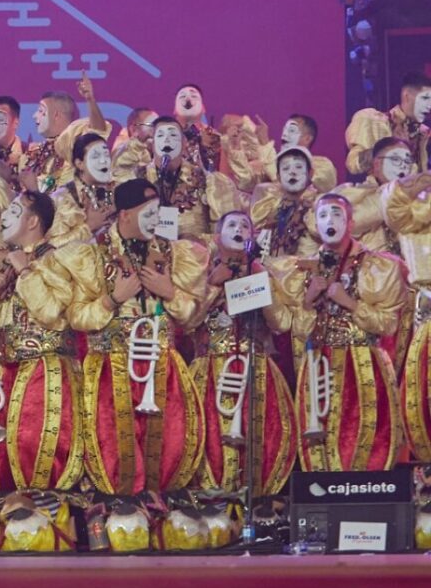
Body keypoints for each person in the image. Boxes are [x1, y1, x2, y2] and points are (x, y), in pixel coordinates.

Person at [58, 178, 208, 495]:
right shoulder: (92, 254)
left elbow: (193, 317)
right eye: (148, 213)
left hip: (162, 367)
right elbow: (77, 317)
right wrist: (113, 299)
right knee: (114, 449)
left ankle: (160, 509)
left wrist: (170, 293)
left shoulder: (173, 252)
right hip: (110, 370)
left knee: (167, 447)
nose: (156, 220)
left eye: (158, 212)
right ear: (125, 215)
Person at [268, 193, 405, 472]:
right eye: (323, 215)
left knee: (366, 437)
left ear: (351, 222)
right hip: (318, 365)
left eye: (337, 214)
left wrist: (350, 303)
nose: (330, 221)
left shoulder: (379, 266)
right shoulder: (302, 269)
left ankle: (366, 490)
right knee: (321, 441)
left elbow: (388, 324)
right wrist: (309, 300)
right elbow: (297, 330)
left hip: (363, 364)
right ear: (316, 225)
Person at [0, 191, 83, 494]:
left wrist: (25, 271)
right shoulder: (4, 265)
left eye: (14, 211)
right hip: (7, 369)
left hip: (44, 369)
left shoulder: (57, 260)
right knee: (2, 452)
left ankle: (45, 516)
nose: (5, 217)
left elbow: (50, 312)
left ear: (33, 221)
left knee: (36, 449)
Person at [193, 211, 295, 495]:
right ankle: (214, 495)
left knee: (261, 433)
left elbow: (281, 323)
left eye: (245, 225)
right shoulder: (201, 270)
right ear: (218, 235)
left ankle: (256, 496)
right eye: (232, 225)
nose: (238, 229)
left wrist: (259, 285)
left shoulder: (260, 270)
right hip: (211, 365)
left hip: (254, 366)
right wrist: (213, 285)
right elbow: (187, 319)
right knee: (211, 434)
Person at [115, 116, 241, 242]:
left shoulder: (209, 182)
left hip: (193, 253)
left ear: (184, 142)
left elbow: (228, 239)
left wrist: (196, 242)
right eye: (160, 135)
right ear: (152, 144)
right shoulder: (137, 178)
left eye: (173, 135)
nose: (167, 140)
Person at [382, 168, 431, 461]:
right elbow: (392, 206)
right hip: (423, 302)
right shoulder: (413, 206)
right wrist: (425, 179)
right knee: (420, 383)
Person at [17, 77, 107, 194]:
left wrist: (90, 99)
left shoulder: (76, 145)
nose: (34, 115)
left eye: (40, 111)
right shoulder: (33, 153)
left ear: (56, 115)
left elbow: (98, 131)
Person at [346, 71, 431, 175]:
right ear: (407, 96)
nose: (429, 106)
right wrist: (390, 147)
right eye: (425, 98)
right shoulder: (376, 122)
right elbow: (353, 165)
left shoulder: (423, 133)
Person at [251, 146, 320, 258]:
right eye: (286, 168)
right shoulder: (271, 207)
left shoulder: (317, 208)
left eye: (298, 167)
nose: (292, 172)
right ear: (278, 176)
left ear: (310, 173)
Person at [49, 132, 116, 246]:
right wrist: (89, 226)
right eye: (95, 156)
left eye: (106, 155)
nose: (104, 160)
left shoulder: (115, 190)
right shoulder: (62, 199)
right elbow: (51, 246)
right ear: (79, 164)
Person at [172, 83, 222, 172]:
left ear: (203, 108)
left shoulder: (216, 138)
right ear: (174, 109)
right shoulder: (164, 136)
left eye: (194, 96)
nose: (188, 99)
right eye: (182, 96)